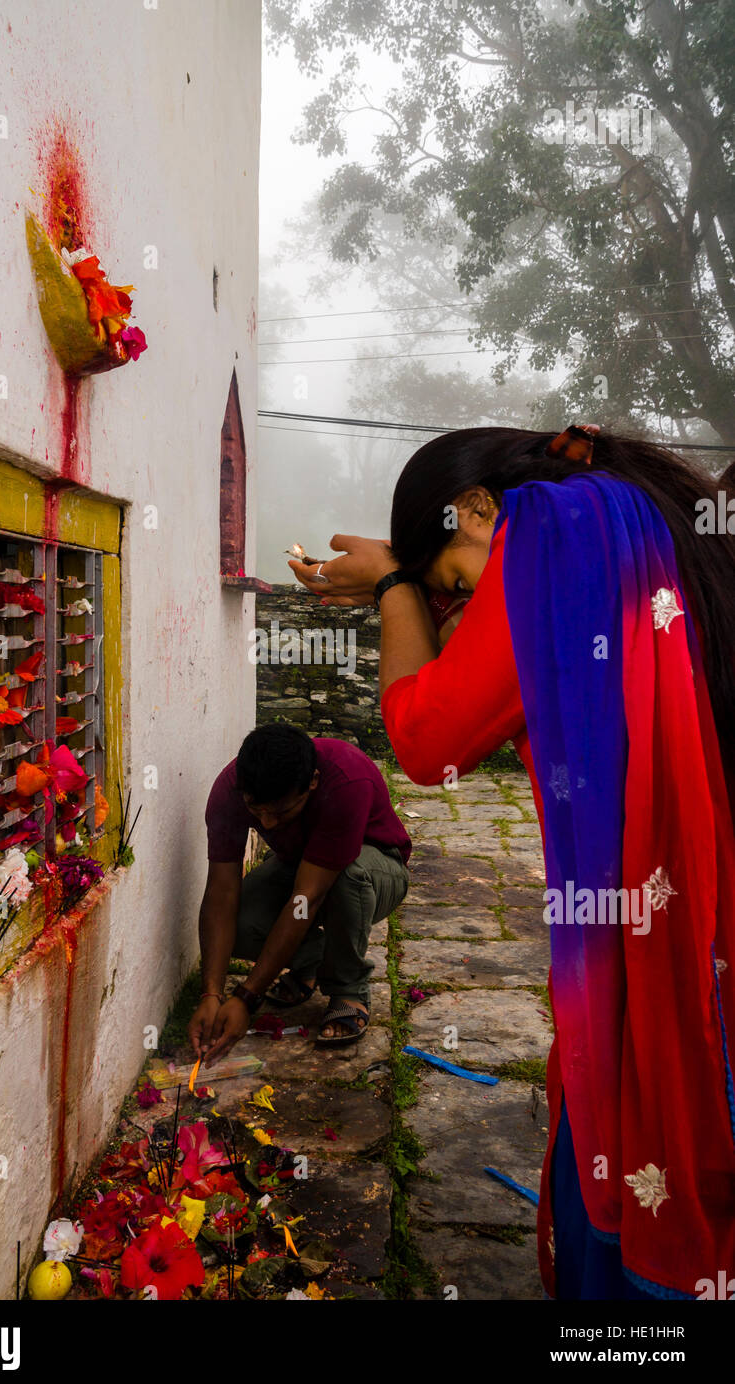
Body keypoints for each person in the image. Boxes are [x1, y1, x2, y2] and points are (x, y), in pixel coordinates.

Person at [289, 425, 735, 1302]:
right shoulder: (649, 521)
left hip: (656, 934)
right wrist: (419, 572)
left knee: (644, 1131)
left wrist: (392, 588)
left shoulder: (549, 529)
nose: (463, 611)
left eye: (455, 583)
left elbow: (428, 737)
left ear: (483, 507)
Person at [189, 724, 410, 1062]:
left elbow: (306, 899)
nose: (269, 824)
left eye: (281, 812)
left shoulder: (347, 781)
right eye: (256, 810)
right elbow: (221, 893)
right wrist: (212, 994)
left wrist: (247, 997)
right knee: (243, 923)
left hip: (376, 867)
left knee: (348, 878)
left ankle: (348, 988)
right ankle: (311, 962)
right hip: (299, 865)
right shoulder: (228, 790)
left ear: (313, 782)